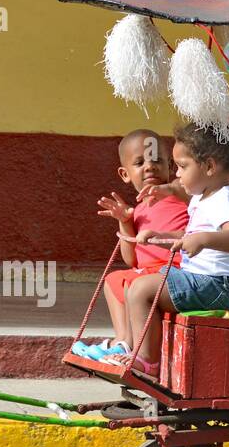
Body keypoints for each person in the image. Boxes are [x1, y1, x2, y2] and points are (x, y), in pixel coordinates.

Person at [102, 113, 229, 377]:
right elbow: (187, 235)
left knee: (142, 289)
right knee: (136, 285)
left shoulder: (225, 198)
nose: (176, 174)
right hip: (201, 279)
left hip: (215, 284)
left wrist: (202, 240)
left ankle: (146, 362)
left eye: (181, 166)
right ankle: (133, 348)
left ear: (209, 167)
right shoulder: (204, 198)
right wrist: (160, 236)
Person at [73, 128, 190, 360]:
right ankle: (122, 339)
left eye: (157, 160)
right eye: (139, 162)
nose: (150, 166)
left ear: (170, 165)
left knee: (132, 281)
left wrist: (172, 189)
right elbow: (131, 259)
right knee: (113, 280)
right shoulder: (138, 210)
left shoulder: (181, 193)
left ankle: (129, 344)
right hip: (148, 271)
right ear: (125, 174)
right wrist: (125, 221)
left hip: (175, 271)